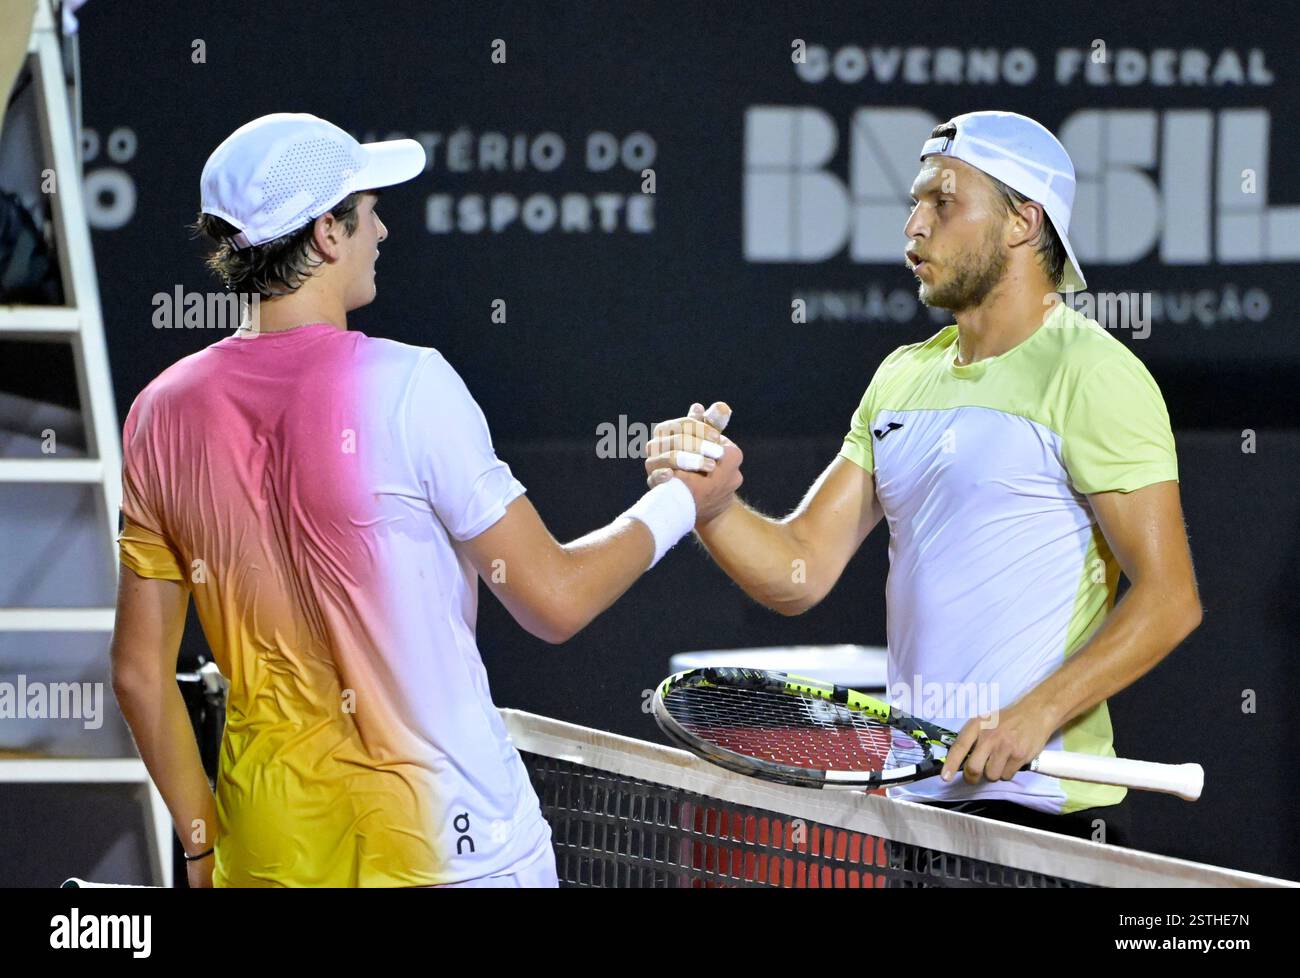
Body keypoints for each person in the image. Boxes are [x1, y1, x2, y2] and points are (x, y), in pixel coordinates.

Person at [108, 112, 740, 887]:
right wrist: (683, 501)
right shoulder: (410, 385)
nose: (383, 229)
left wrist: (205, 847)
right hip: (456, 857)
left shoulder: (160, 414)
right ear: (326, 237)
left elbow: (141, 673)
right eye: (369, 210)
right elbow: (555, 600)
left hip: (270, 860)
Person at [646, 111, 1204, 848]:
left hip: (1046, 818)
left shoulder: (1094, 374)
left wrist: (1037, 712)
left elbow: (1171, 599)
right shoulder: (900, 378)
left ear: (1021, 222)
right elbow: (800, 571)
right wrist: (709, 503)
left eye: (942, 202)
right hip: (920, 817)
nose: (914, 227)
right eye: (914, 203)